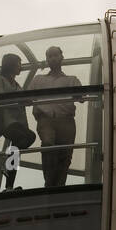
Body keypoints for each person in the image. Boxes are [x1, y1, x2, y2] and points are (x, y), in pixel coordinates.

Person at [28, 46, 81, 188]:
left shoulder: (72, 80)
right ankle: (50, 184)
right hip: (46, 119)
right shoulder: (38, 80)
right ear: (46, 60)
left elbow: (81, 96)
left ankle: (59, 186)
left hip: (66, 120)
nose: (52, 58)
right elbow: (26, 98)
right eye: (49, 56)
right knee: (48, 145)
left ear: (61, 57)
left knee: (65, 156)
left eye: (55, 55)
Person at [0, 54, 35, 190]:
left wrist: (25, 100)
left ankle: (9, 185)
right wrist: (20, 100)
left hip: (18, 122)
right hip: (6, 122)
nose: (21, 66)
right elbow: (0, 98)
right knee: (24, 142)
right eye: (19, 63)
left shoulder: (17, 85)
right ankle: (5, 163)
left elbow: (19, 100)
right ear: (11, 64)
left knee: (16, 151)